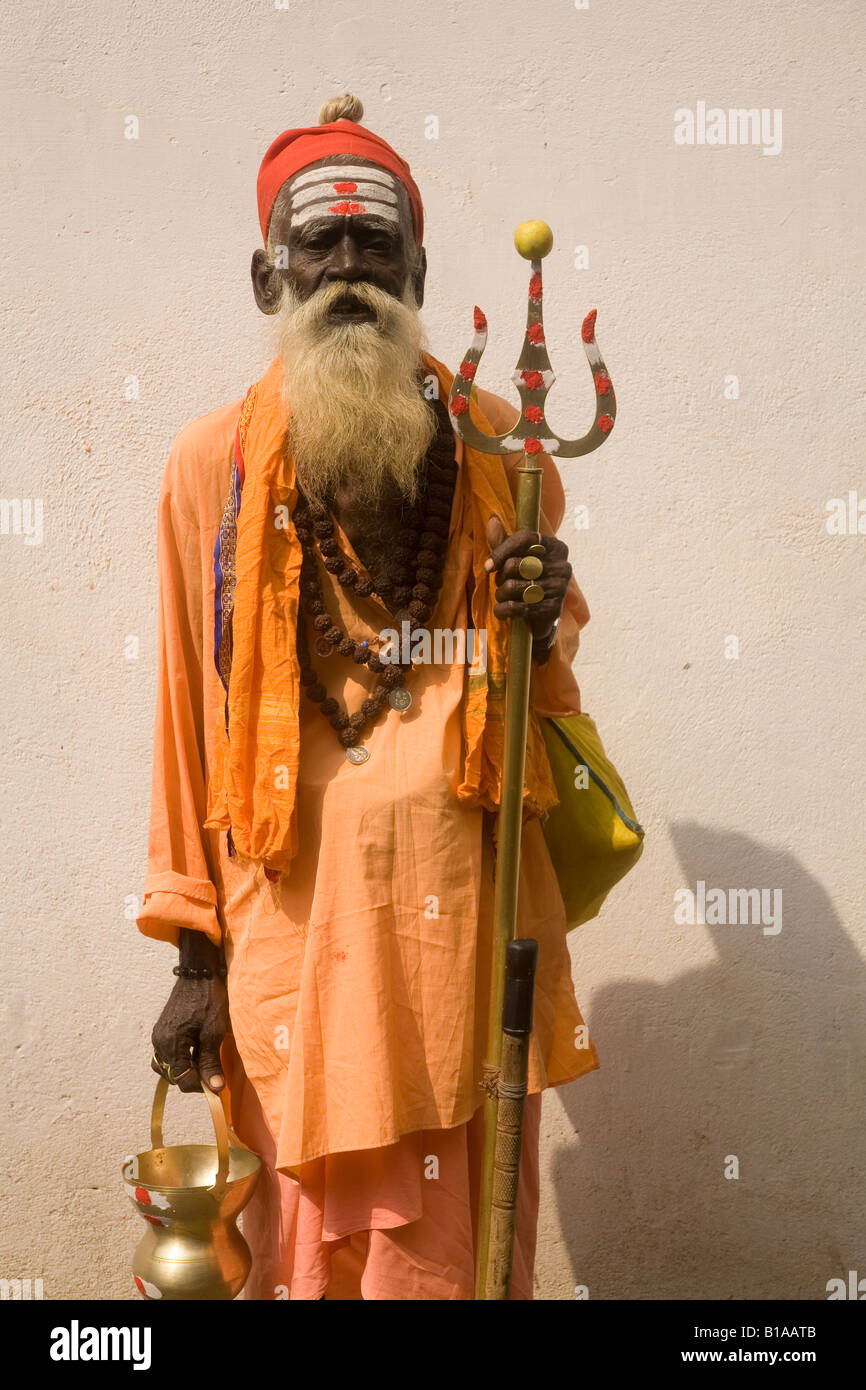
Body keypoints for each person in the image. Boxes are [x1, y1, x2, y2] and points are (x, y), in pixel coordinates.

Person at [138, 92, 599, 1300]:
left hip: (461, 917)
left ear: (420, 270)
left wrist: (534, 609)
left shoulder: (498, 443)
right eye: (319, 247)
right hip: (287, 925)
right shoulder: (211, 466)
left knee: (453, 1236)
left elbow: (541, 699)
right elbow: (188, 710)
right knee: (298, 1244)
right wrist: (193, 946)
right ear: (267, 277)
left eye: (374, 247)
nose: (348, 270)